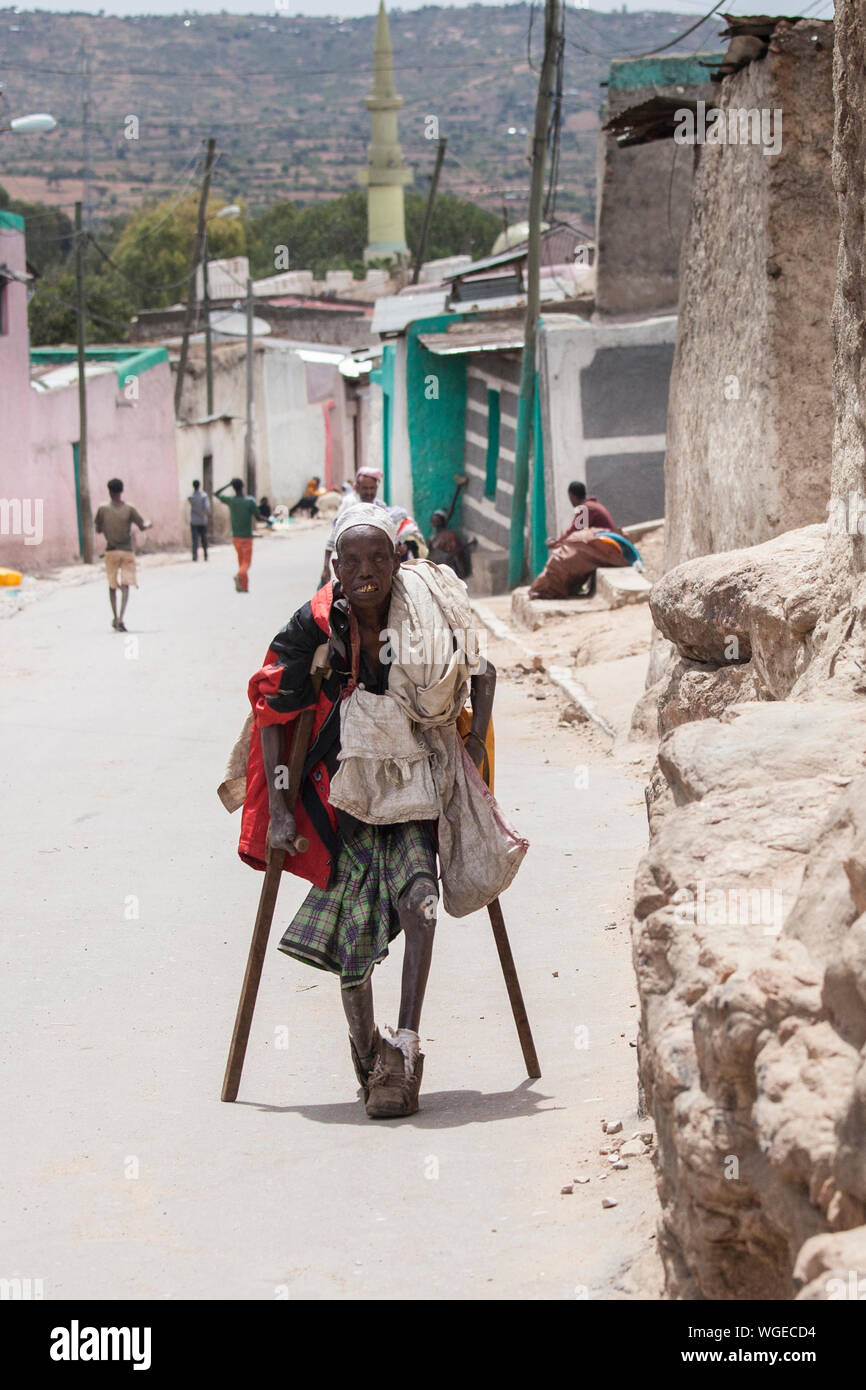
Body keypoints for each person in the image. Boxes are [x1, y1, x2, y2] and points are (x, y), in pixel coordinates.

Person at [235, 504, 527, 1119]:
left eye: (378, 559)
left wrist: (472, 745)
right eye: (353, 561)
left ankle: (405, 1050)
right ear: (335, 566)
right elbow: (274, 714)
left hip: (418, 777)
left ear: (397, 560)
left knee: (420, 906)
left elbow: (483, 668)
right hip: (346, 790)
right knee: (354, 933)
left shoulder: (429, 612)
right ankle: (367, 1050)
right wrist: (282, 811)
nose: (366, 571)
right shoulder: (314, 625)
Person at [94, 478, 152, 632]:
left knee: (112, 585)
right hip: (126, 551)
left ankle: (114, 616)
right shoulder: (129, 509)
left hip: (111, 551)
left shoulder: (103, 509)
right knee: (126, 585)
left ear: (109, 491)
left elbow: (98, 529)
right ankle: (121, 617)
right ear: (122, 490)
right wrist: (149, 523)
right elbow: (142, 526)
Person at [319, 467, 387, 586]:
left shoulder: (380, 506)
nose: (369, 492)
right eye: (365, 488)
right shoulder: (349, 504)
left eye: (372, 488)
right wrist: (325, 567)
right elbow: (334, 534)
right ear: (357, 488)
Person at [216, 478, 260, 593]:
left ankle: (244, 587)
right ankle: (239, 575)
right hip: (246, 537)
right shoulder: (249, 502)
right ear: (243, 486)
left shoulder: (231, 501)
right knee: (246, 563)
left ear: (233, 487)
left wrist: (228, 485)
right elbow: (258, 516)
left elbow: (216, 493)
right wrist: (270, 520)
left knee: (241, 562)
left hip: (235, 537)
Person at [427, 509, 469, 579]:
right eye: (433, 520)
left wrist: (461, 574)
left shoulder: (450, 535)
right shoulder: (432, 538)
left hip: (447, 572)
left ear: (441, 521)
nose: (434, 522)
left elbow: (458, 556)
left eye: (437, 520)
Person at [188, 479, 210, 562]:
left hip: (194, 520)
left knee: (195, 539)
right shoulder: (204, 496)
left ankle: (195, 555)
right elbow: (207, 508)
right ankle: (205, 555)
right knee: (204, 538)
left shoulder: (191, 497)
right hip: (202, 520)